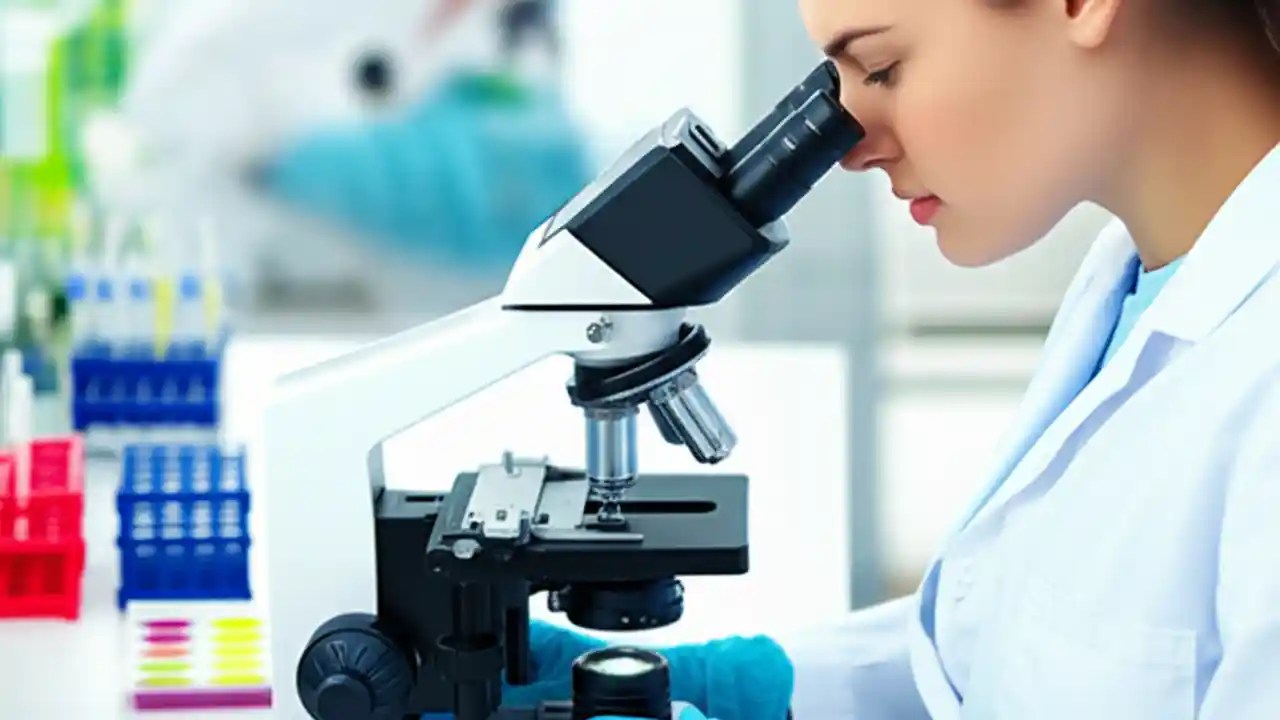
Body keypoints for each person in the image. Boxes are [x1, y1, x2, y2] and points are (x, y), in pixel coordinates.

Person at [494, 0, 1280, 718]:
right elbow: (1016, 650)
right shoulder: (1135, 279)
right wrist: (742, 687)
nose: (849, 146)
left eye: (882, 68)